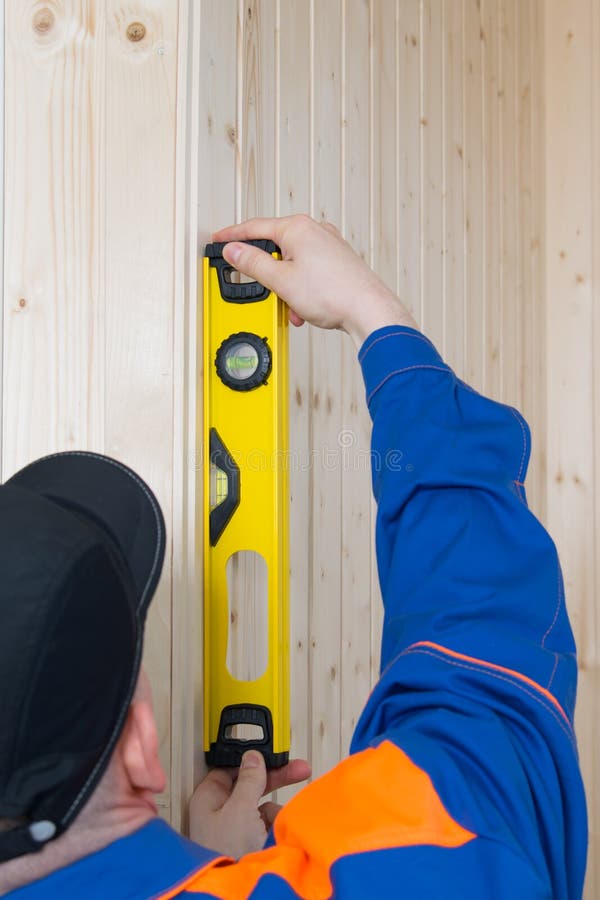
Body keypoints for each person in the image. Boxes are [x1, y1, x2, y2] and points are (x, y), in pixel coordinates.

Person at [0, 214, 587, 897]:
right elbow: (489, 681)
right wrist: (375, 318)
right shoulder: (408, 867)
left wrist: (207, 870)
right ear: (141, 752)